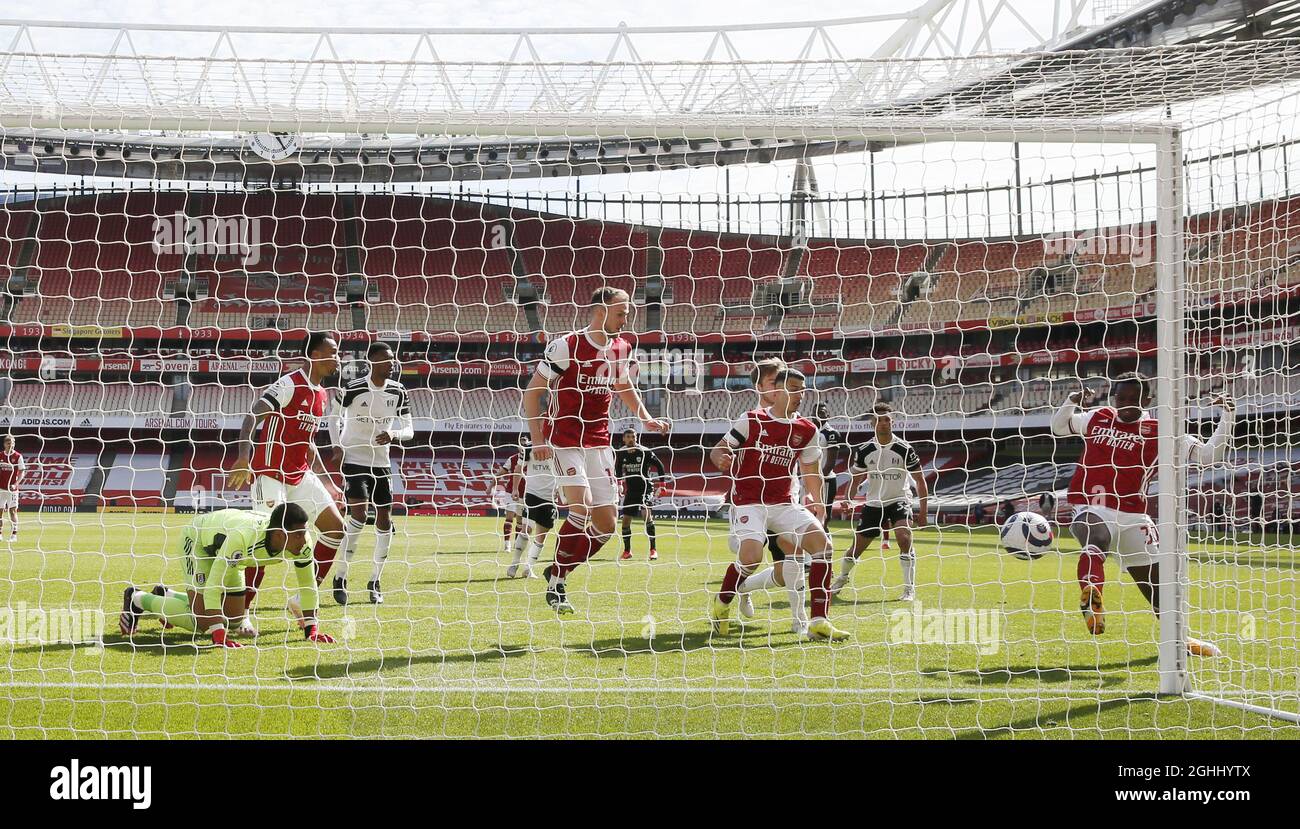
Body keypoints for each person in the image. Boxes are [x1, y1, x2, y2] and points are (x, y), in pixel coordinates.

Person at [1051, 373, 1234, 657]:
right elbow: (1059, 427)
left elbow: (1210, 456)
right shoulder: (1098, 416)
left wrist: (1228, 416)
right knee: (1095, 536)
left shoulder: (1161, 431)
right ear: (1113, 399)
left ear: (1146, 400)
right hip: (1090, 505)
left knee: (1156, 587)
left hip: (1133, 516)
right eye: (1120, 399)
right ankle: (1091, 597)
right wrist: (1070, 403)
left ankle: (1180, 640)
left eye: (1132, 400)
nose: (1124, 405)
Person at [522, 287, 671, 614]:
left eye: (627, 312)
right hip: (563, 439)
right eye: (622, 312)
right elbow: (532, 393)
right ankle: (556, 586)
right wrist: (538, 440)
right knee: (582, 509)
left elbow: (623, 385)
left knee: (606, 525)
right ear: (601, 311)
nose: (627, 318)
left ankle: (558, 572)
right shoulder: (567, 346)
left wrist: (645, 418)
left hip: (599, 441)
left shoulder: (622, 347)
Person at [709, 368, 848, 641]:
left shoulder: (807, 429)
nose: (800, 395)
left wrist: (818, 502)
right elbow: (718, 448)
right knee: (751, 558)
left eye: (803, 390)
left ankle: (818, 621)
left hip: (784, 504)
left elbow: (810, 469)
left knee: (823, 546)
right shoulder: (751, 420)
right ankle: (722, 603)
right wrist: (721, 458)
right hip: (749, 503)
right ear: (779, 392)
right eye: (794, 388)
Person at [228, 332, 347, 628]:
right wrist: (244, 456)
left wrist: (327, 481)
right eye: (333, 352)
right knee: (264, 543)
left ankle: (300, 600)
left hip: (299, 474)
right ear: (316, 355)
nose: (338, 358)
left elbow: (308, 442)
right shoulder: (289, 383)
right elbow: (252, 416)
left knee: (336, 529)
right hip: (270, 473)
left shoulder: (322, 394)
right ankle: (240, 614)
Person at [119, 503, 335, 647]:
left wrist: (311, 629)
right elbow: (214, 585)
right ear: (280, 534)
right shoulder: (243, 537)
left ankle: (168, 594)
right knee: (204, 622)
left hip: (231, 557)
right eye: (298, 535)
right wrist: (217, 635)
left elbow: (308, 585)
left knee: (232, 620)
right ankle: (137, 599)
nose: (304, 539)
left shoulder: (302, 542)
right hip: (198, 543)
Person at [328, 341, 413, 605]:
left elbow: (409, 429)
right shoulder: (353, 388)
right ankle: (340, 576)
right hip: (354, 458)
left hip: (382, 464)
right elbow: (333, 417)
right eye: (387, 359)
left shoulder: (399, 391)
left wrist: (395, 434)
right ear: (373, 361)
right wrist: (336, 446)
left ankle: (375, 581)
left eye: (393, 359)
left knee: (385, 519)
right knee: (359, 514)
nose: (392, 363)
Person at [831, 402, 929, 601]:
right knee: (856, 549)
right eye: (879, 420)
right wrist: (848, 500)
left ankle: (909, 589)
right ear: (872, 423)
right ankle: (842, 577)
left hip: (899, 499)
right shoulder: (865, 450)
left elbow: (919, 480)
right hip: (874, 504)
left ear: (892, 422)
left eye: (887, 420)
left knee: (904, 538)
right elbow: (856, 479)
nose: (884, 424)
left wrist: (923, 512)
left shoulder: (904, 448)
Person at [615, 428, 667, 560]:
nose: (631, 439)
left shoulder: (644, 451)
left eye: (633, 436)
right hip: (631, 491)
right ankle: (627, 551)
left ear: (636, 438)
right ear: (624, 439)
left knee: (646, 515)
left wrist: (662, 485)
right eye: (628, 437)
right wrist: (620, 484)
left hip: (645, 489)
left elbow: (659, 465)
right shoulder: (621, 453)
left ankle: (653, 550)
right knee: (625, 521)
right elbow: (618, 469)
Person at [0, 434, 26, 542]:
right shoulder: (0, 455)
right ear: (4, 444)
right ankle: (0, 534)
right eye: (9, 443)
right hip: (1, 489)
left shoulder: (18, 456)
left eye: (13, 443)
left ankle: (14, 535)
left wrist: (16, 483)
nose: (11, 445)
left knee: (13, 511)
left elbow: (22, 472)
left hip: (12, 490)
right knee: (0, 512)